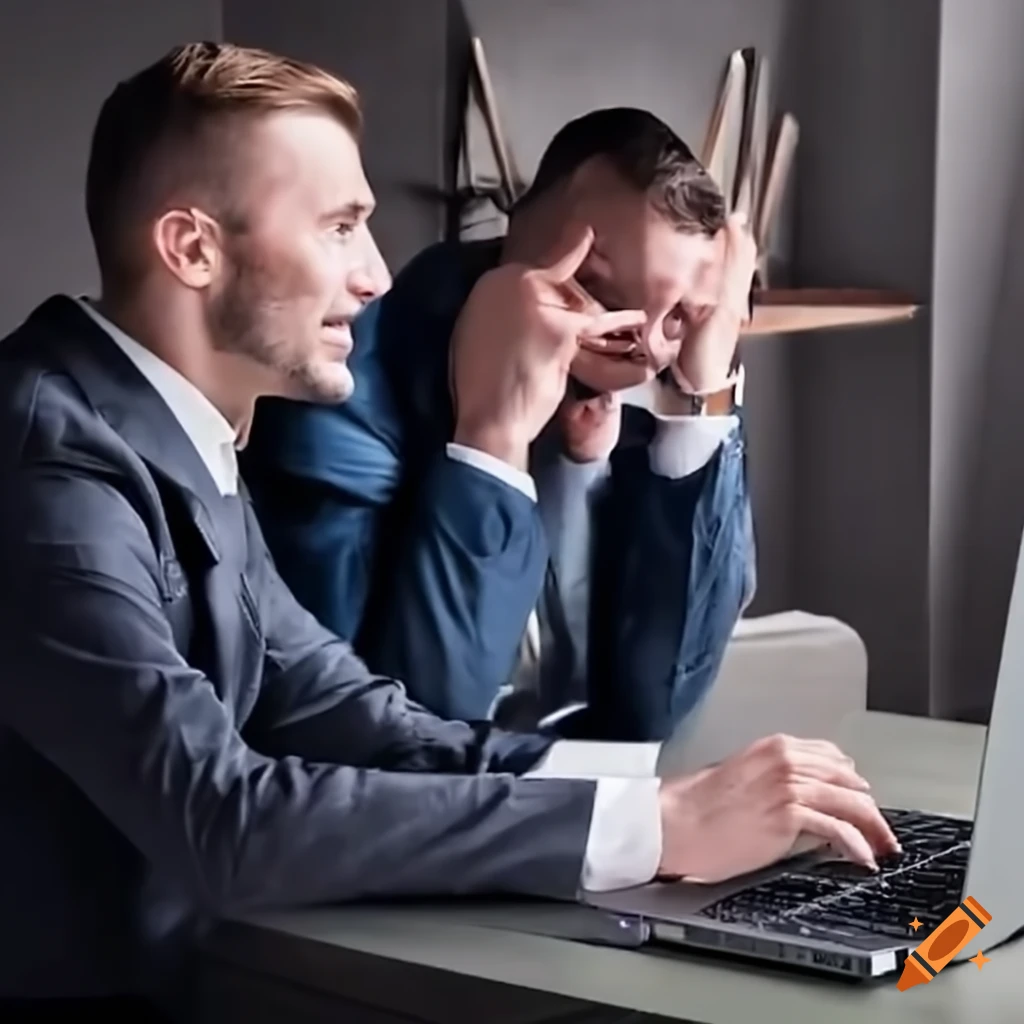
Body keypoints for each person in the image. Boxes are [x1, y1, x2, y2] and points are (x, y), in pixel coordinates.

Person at [0, 43, 898, 1021]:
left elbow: (351, 713)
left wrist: (676, 791)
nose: (376, 274)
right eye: (339, 228)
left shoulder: (163, 426)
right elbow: (224, 816)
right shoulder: (53, 465)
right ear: (191, 249)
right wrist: (653, 825)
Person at [240, 105, 755, 742]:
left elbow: (658, 705)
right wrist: (491, 442)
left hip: (587, 810)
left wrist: (699, 400)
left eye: (678, 315)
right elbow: (395, 742)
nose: (646, 349)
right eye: (609, 300)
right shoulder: (338, 394)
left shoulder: (669, 385)